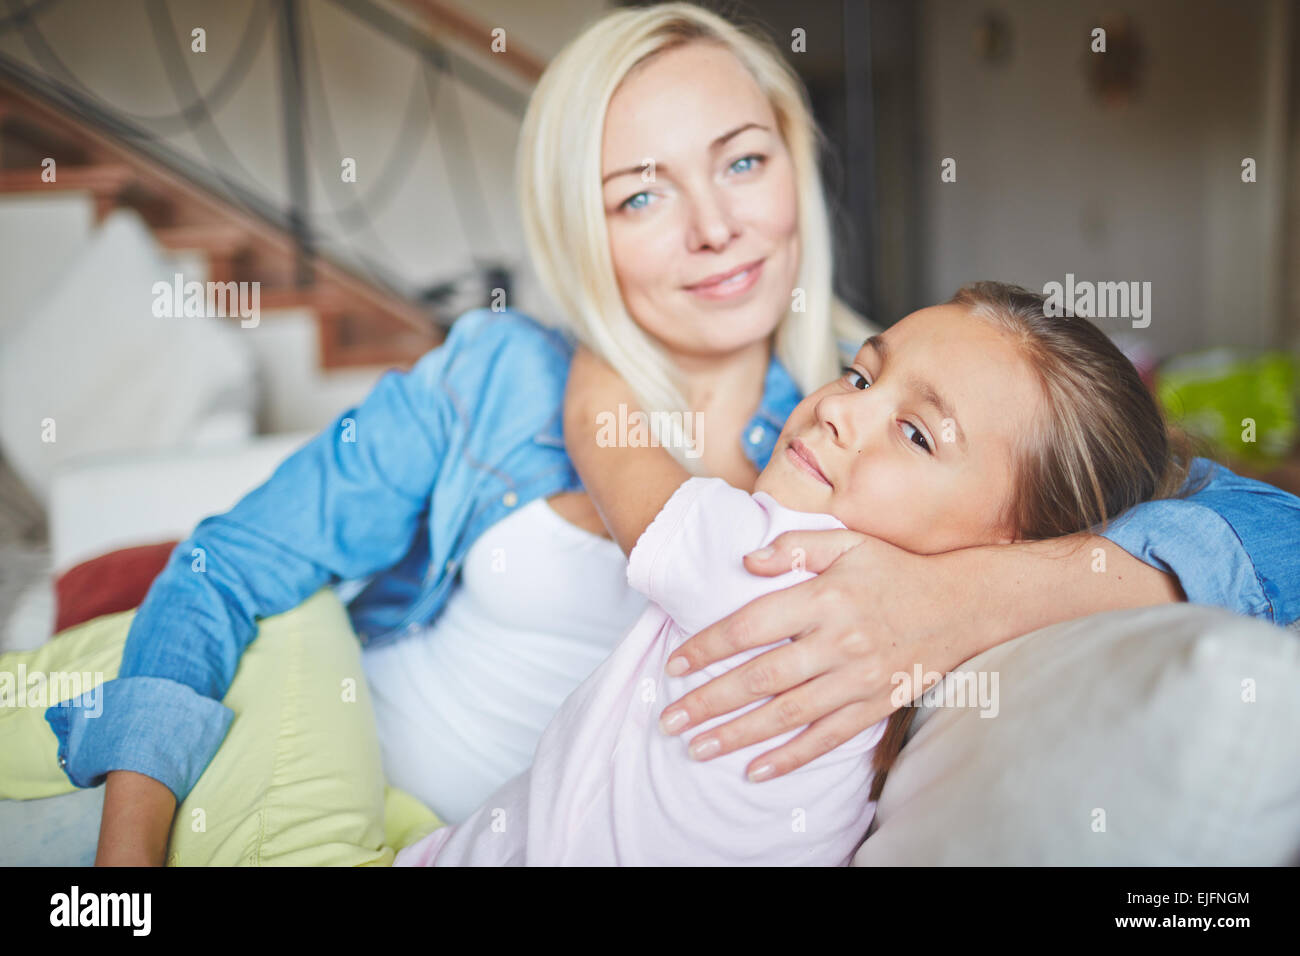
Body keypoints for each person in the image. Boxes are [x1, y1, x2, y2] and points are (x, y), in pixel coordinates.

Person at [21, 3, 1299, 865]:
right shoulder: (507, 377)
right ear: (584, 227)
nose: (714, 228)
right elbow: (234, 564)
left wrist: (974, 600)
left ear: (794, 166)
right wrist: (129, 859)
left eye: (741, 163)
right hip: (335, 773)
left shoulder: (879, 432)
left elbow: (1267, 529)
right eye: (641, 192)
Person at [395, 281, 1207, 865]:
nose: (839, 407)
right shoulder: (943, 648)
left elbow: (599, 434)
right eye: (860, 373)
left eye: (917, 434)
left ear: (1017, 545)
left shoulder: (767, 558)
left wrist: (601, 310)